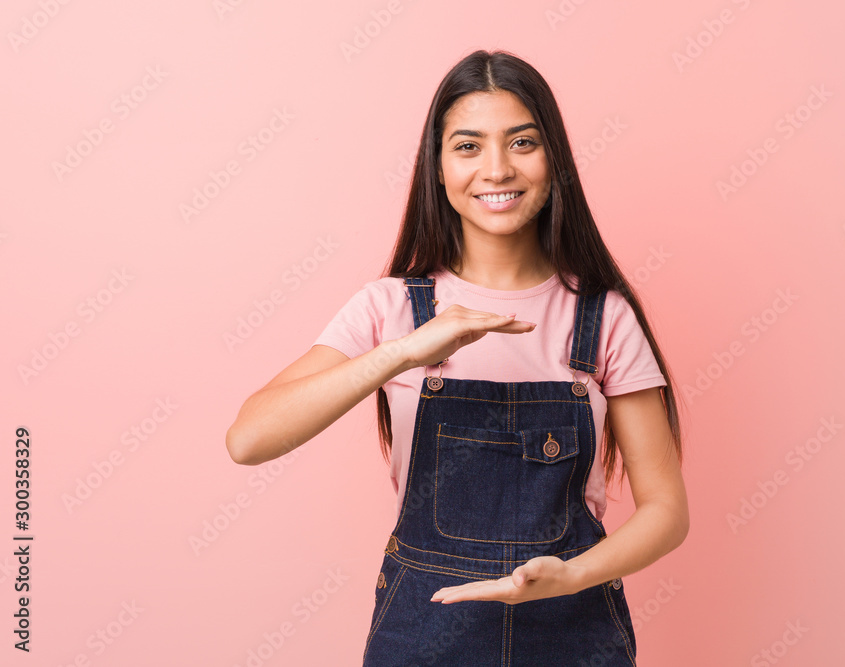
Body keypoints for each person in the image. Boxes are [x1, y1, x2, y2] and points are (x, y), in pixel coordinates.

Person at [226, 48, 689, 666]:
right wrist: (406, 351)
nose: (496, 169)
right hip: (426, 627)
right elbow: (249, 439)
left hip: (572, 626)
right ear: (437, 168)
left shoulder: (602, 317)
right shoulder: (387, 308)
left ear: (555, 162)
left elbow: (666, 511)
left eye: (522, 143)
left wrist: (572, 577)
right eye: (468, 147)